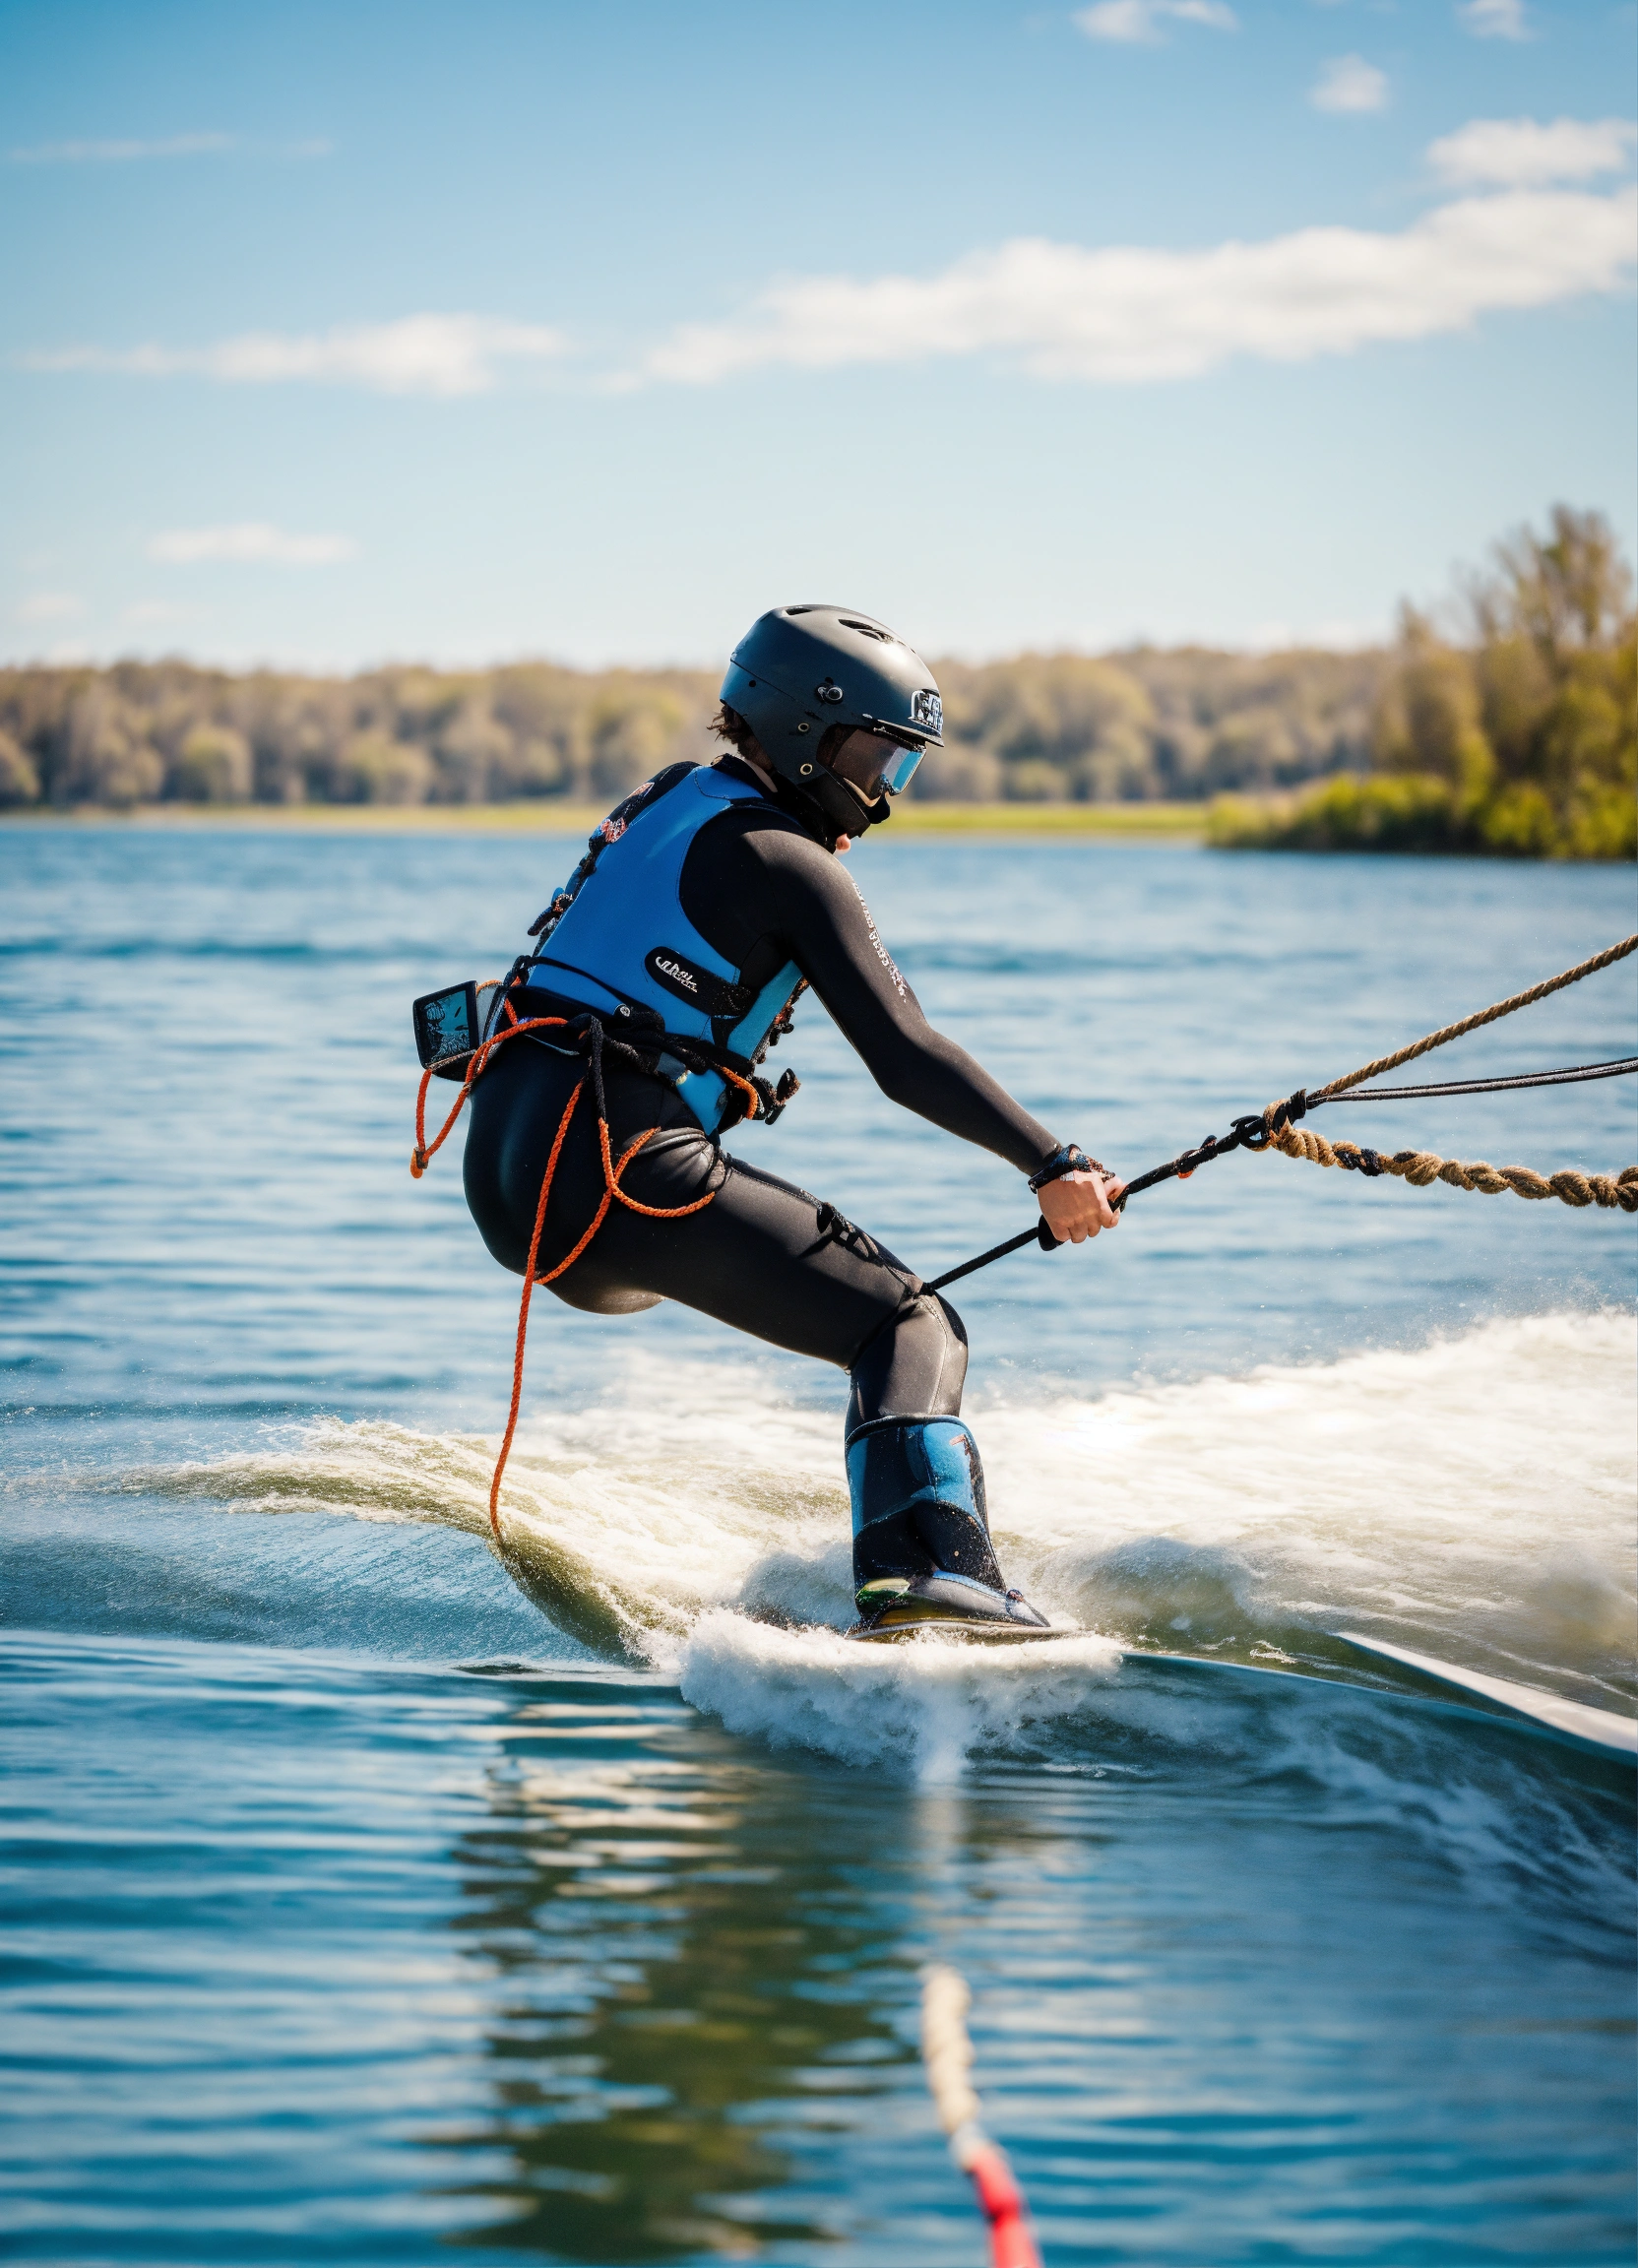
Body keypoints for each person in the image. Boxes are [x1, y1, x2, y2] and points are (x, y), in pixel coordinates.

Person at [459, 605, 1123, 1637]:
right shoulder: (789, 860)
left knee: (852, 1305)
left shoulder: (670, 796)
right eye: (878, 757)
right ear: (808, 729)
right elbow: (904, 1055)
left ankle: (898, 1568)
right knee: (907, 1324)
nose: (885, 796)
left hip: (508, 1168)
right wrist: (1050, 1161)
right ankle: (928, 1577)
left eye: (903, 767)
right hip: (615, 1170)